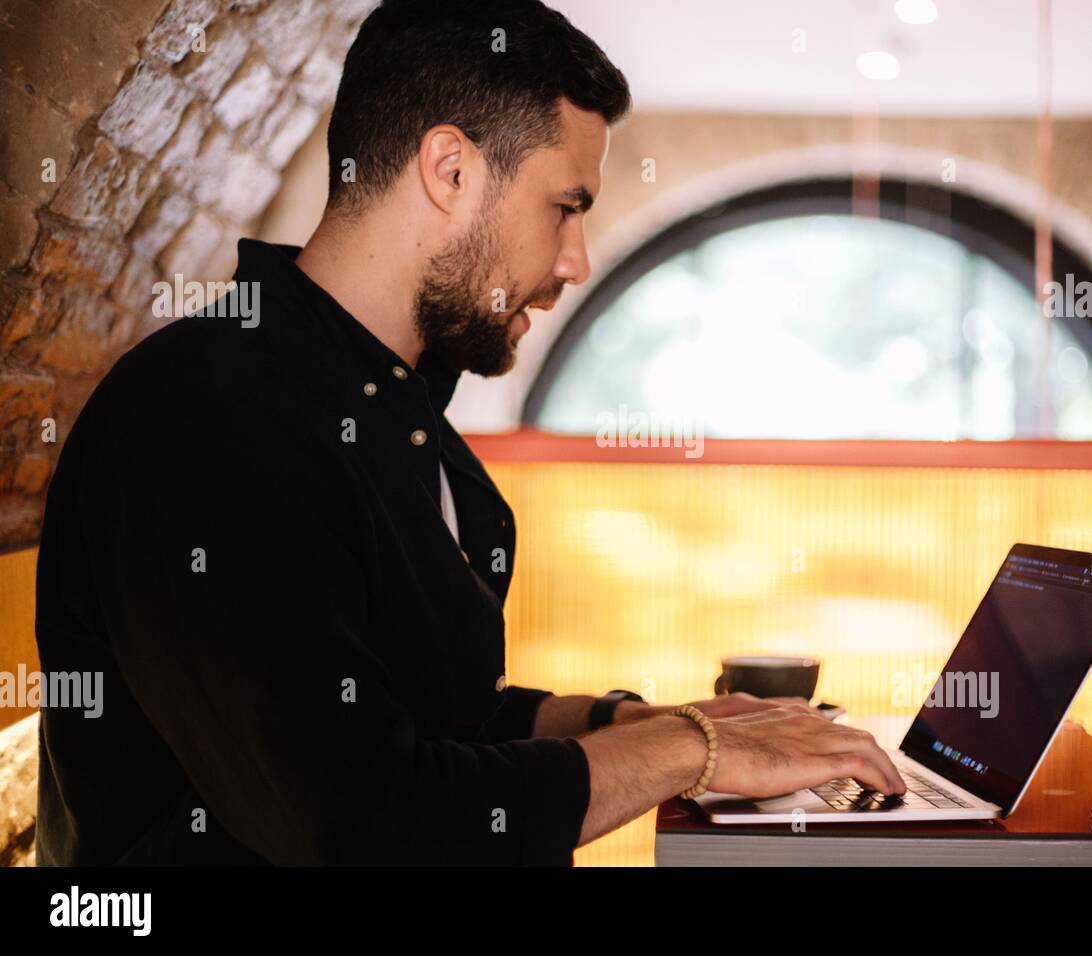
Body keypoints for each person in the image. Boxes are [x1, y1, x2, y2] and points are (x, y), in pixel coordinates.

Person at [34, 0, 904, 866]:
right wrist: (692, 754)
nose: (576, 262)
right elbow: (365, 820)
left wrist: (660, 722)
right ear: (449, 171)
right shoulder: (208, 415)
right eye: (566, 207)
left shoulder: (399, 421)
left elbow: (439, 717)